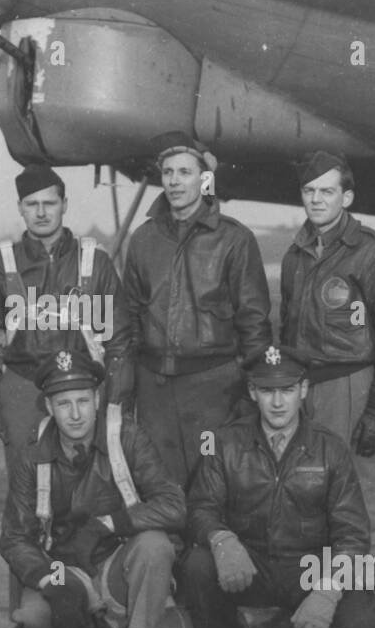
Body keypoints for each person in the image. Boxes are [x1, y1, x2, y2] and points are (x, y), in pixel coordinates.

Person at [0, 163, 128, 628]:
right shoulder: (3, 264)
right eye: (31, 204)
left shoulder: (95, 261)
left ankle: (96, 597)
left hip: (80, 385)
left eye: (49, 202)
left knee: (93, 488)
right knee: (27, 499)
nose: (41, 212)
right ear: (20, 209)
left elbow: (119, 337)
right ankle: (28, 611)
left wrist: (114, 402)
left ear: (63, 204)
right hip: (24, 388)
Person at [180, 346, 375, 628]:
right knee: (197, 565)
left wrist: (329, 588)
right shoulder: (224, 443)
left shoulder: (329, 448)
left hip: (307, 566)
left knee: (362, 620)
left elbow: (353, 534)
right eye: (268, 391)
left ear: (303, 390)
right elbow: (200, 508)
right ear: (252, 391)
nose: (278, 402)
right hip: (249, 561)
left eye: (287, 390)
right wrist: (221, 539)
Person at [279, 151, 375, 628]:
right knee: (309, 502)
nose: (317, 199)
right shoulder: (295, 253)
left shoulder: (372, 252)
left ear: (347, 197)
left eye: (327, 191)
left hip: (353, 384)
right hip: (306, 388)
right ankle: (318, 610)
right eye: (310, 192)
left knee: (367, 504)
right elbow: (287, 328)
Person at [0, 350, 188, 628]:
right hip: (67, 565)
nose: (75, 414)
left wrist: (110, 522)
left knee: (155, 546)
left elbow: (173, 505)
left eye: (83, 401)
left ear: (98, 398)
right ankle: (85, 623)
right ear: (49, 407)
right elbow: (14, 537)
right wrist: (48, 577)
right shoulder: (32, 453)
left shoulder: (127, 436)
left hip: (116, 561)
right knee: (34, 617)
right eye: (64, 403)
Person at [111, 132, 273, 490]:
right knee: (160, 486)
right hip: (155, 390)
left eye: (184, 172)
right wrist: (125, 390)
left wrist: (254, 391)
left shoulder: (235, 240)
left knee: (214, 485)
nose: (173, 181)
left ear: (204, 179)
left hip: (214, 390)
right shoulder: (143, 239)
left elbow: (254, 322)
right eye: (167, 172)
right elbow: (128, 320)